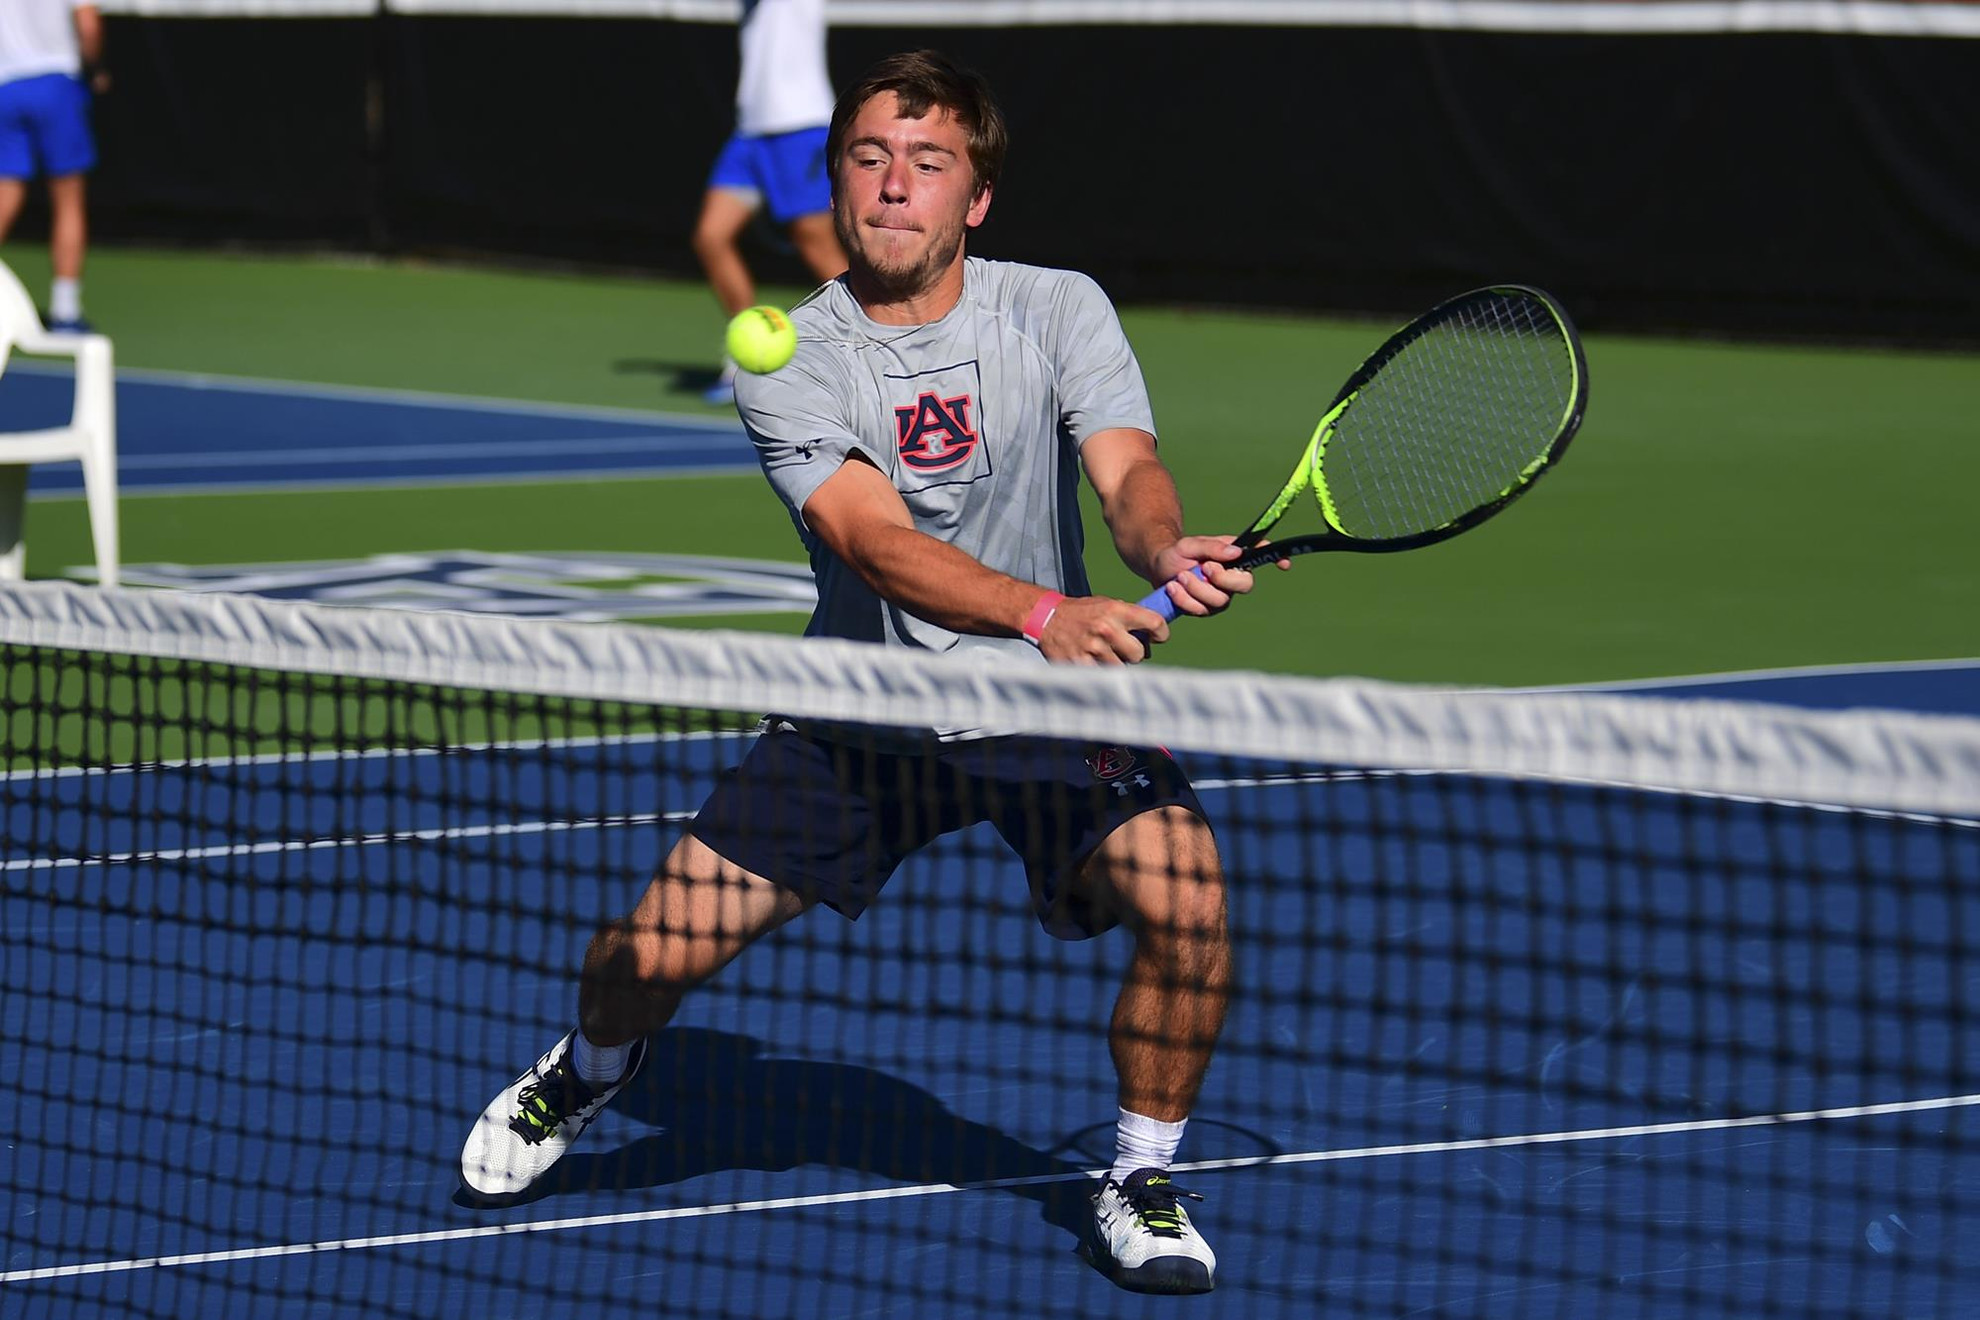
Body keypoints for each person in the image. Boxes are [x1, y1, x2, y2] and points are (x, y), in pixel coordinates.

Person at [463, 50, 1269, 1295]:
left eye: (929, 163)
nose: (896, 186)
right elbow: (874, 544)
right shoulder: (788, 354)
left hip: (1046, 710)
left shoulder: (1058, 308)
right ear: (838, 184)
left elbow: (1127, 473)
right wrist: (1045, 611)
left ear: (976, 199)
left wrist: (1163, 549)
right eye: (871, 158)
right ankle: (591, 1068)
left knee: (1190, 901)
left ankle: (1140, 1175)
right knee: (641, 962)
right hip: (862, 720)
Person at [694, 0, 846, 405]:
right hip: (750, 132)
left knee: (814, 242)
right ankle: (748, 355)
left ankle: (876, 346)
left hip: (799, 125)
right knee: (711, 235)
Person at [0, 0, 107, 333]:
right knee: (68, 199)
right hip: (56, 84)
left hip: (6, 86)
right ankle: (66, 311)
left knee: (5, 193)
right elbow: (88, 25)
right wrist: (94, 69)